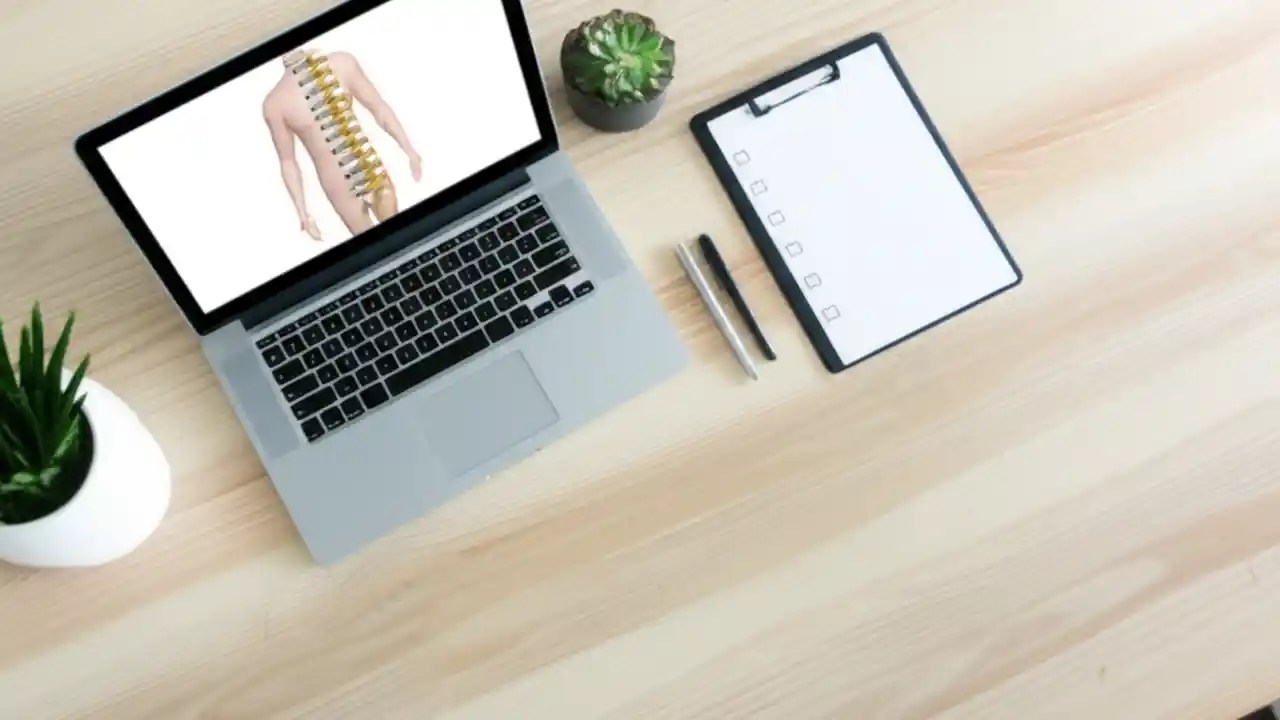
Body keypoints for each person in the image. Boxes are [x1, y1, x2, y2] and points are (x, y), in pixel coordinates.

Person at [263, 49, 423, 241]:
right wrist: (303, 213)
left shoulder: (341, 63)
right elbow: (288, 161)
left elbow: (378, 107)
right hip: (338, 186)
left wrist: (409, 150)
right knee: (370, 248)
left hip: (368, 165)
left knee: (401, 236)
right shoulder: (275, 103)